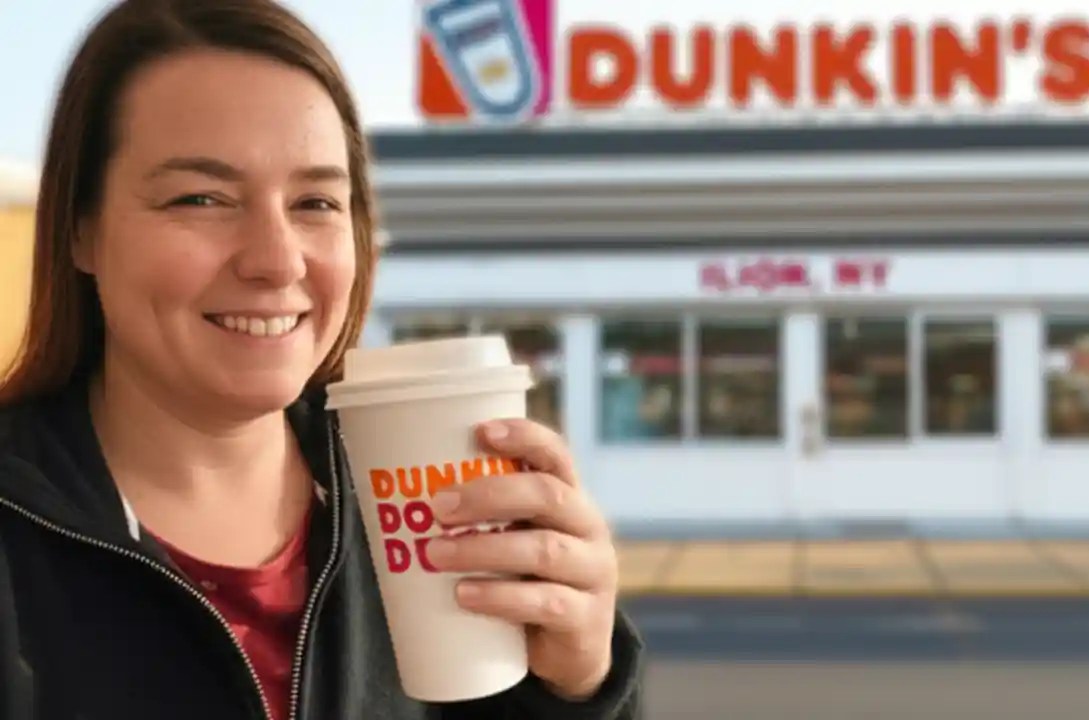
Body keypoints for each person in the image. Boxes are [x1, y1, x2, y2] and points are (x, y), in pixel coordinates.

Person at [0, 1, 642, 718]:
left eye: (315, 202)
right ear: (81, 230)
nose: (277, 260)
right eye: (202, 197)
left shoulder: (413, 502)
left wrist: (578, 689)